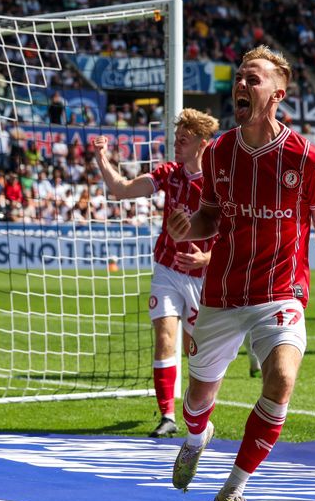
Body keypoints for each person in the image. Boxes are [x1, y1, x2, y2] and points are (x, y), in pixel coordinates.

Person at [166, 45, 315, 501]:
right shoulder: (219, 151)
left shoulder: (308, 159)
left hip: (281, 292)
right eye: (239, 78)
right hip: (222, 292)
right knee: (197, 400)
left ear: (277, 95)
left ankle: (234, 489)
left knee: (281, 379)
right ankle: (196, 439)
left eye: (253, 79)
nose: (241, 85)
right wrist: (188, 228)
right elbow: (209, 215)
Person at [90, 108, 220, 438]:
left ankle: (197, 417)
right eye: (176, 139)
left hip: (202, 277)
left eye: (184, 140)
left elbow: (235, 231)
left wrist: (207, 258)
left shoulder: (218, 184)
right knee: (164, 337)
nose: (176, 145)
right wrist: (102, 157)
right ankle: (167, 416)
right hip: (166, 268)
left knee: (196, 351)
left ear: (202, 144)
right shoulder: (169, 173)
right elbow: (121, 190)